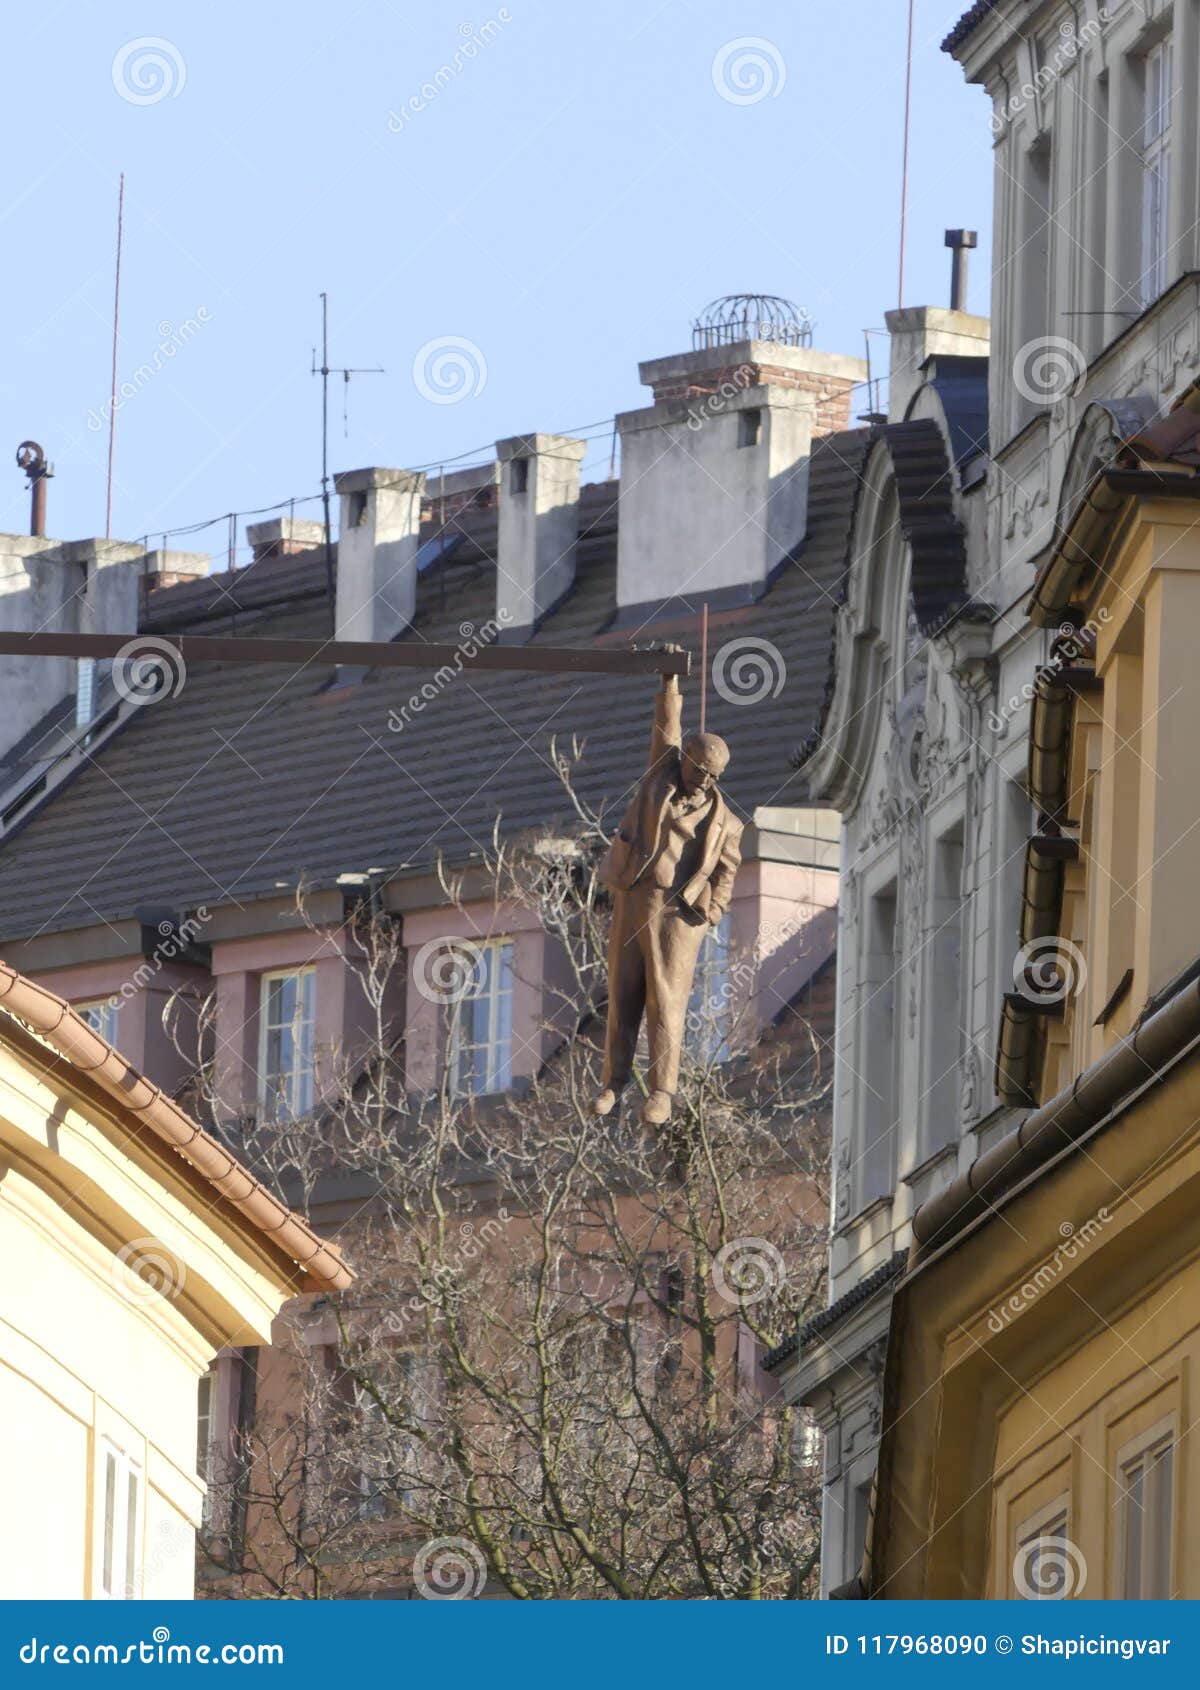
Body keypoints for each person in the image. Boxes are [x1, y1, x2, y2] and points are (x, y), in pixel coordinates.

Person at [593, 660, 741, 1128]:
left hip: (681, 914)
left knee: (666, 997)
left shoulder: (728, 823)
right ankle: (613, 1082)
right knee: (623, 988)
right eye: (699, 769)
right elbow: (667, 725)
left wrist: (713, 911)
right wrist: (670, 681)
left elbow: (728, 871)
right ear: (685, 760)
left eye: (713, 776)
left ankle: (661, 1091)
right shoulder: (660, 777)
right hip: (637, 897)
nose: (704, 781)